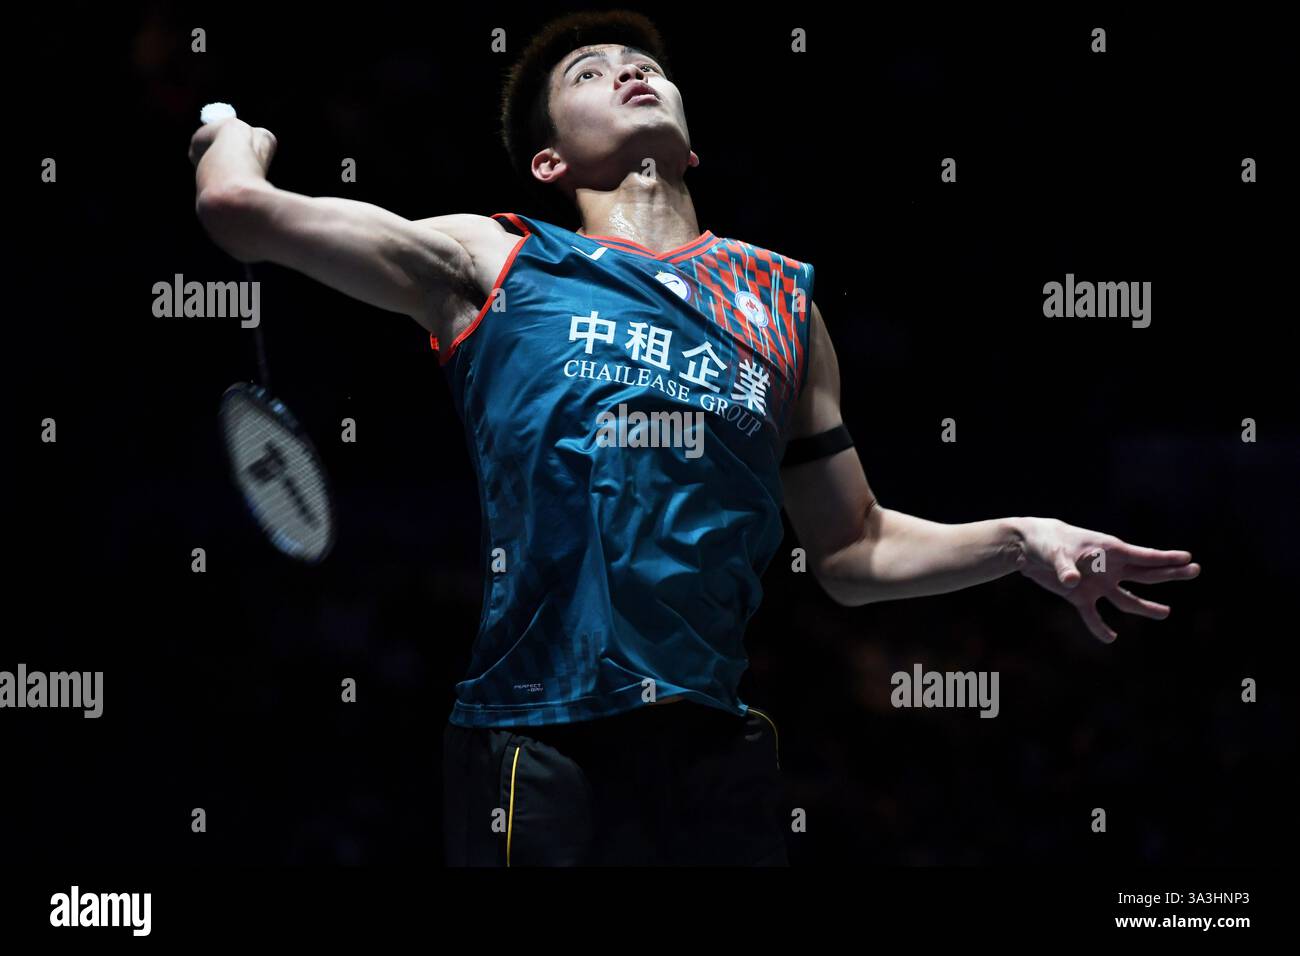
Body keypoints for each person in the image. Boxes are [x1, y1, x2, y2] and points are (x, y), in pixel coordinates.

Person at [189, 10, 1200, 866]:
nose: (630, 70)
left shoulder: (783, 302)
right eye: (588, 73)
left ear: (690, 137)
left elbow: (851, 548)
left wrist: (1022, 538)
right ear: (549, 159)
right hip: (535, 742)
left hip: (713, 756)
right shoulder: (491, 259)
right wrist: (231, 139)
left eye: (647, 66)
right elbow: (243, 212)